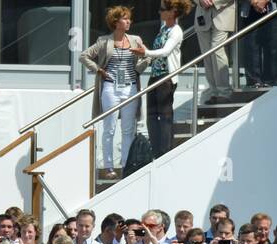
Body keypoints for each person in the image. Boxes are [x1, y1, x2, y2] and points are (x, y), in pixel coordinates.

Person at [81, 7, 149, 179]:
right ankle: (109, 167)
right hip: (111, 87)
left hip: (130, 87)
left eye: (129, 19)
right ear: (116, 22)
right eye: (125, 19)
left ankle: (126, 165)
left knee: (128, 129)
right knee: (109, 129)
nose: (129, 22)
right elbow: (84, 56)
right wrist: (98, 70)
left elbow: (147, 56)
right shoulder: (104, 41)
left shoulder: (135, 40)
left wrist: (143, 62)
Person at [138, 1, 192, 159]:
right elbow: (156, 52)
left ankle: (166, 151)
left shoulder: (176, 31)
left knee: (165, 115)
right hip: (155, 76)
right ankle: (156, 151)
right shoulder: (163, 29)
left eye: (162, 9)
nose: (159, 12)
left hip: (166, 77)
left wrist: (146, 52)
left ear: (172, 12)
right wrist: (144, 53)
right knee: (152, 115)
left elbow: (165, 51)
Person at [195, 0, 238, 104]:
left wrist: (214, 1)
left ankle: (224, 92)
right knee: (207, 55)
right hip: (202, 15)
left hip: (223, 13)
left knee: (216, 50)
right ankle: (214, 92)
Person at [240, 0, 274, 89]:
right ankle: (254, 80)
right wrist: (253, 2)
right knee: (250, 46)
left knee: (272, 47)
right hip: (249, 10)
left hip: (273, 8)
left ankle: (271, 80)